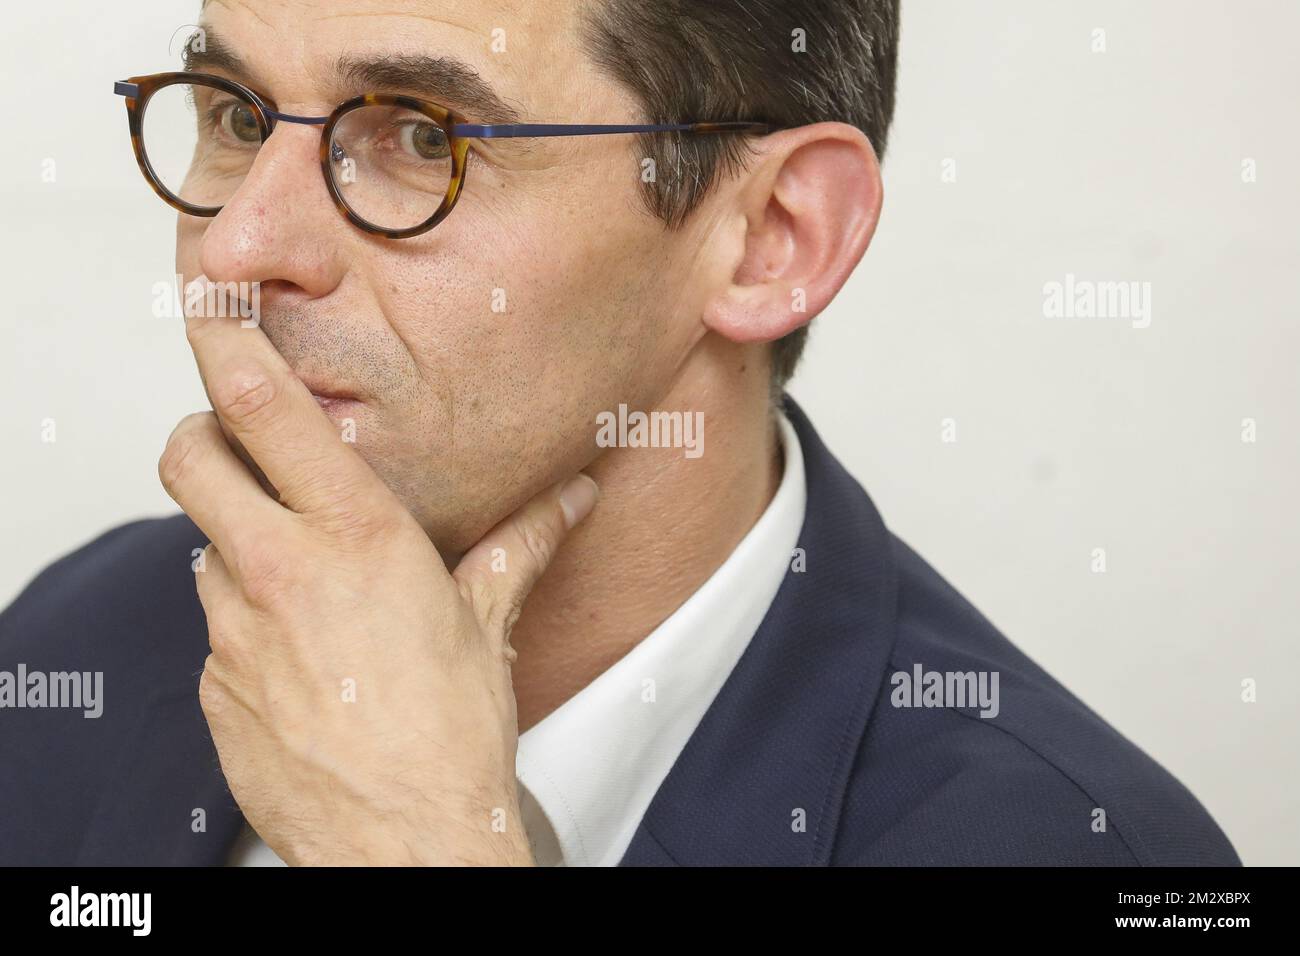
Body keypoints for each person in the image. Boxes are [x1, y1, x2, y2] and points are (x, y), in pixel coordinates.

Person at [0, 0, 1238, 866]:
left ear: (773, 237)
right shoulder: (72, 644)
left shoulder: (1069, 847)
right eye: (230, 110)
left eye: (422, 137)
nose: (238, 246)